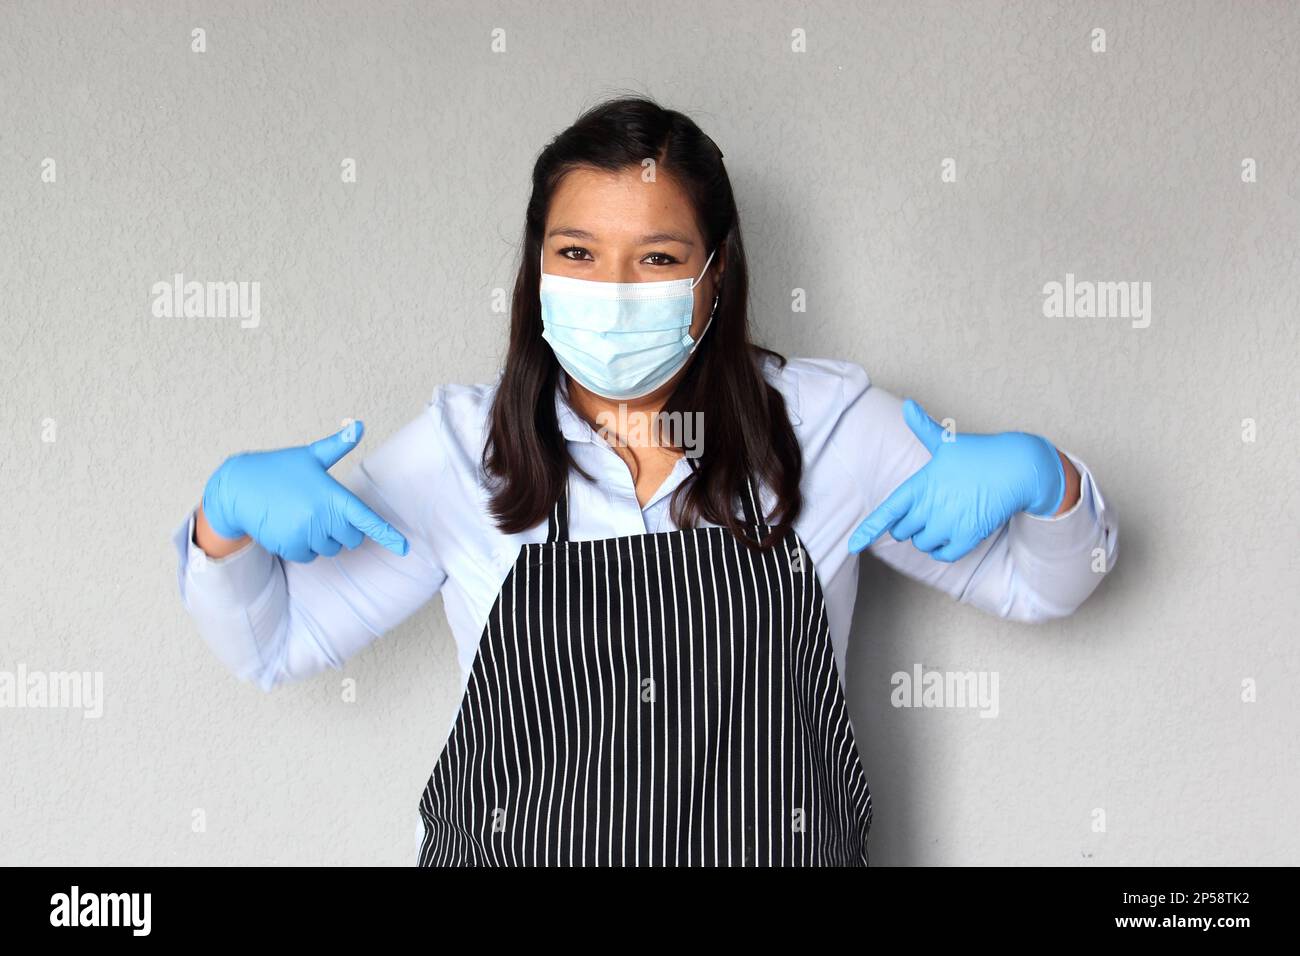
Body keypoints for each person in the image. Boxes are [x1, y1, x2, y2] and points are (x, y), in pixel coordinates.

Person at [173, 96, 1118, 867]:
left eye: (657, 258)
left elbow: (1044, 585)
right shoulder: (465, 452)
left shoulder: (826, 434)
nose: (614, 289)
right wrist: (225, 523)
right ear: (536, 271)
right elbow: (276, 643)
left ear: (715, 275)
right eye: (577, 252)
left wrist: (1050, 483)